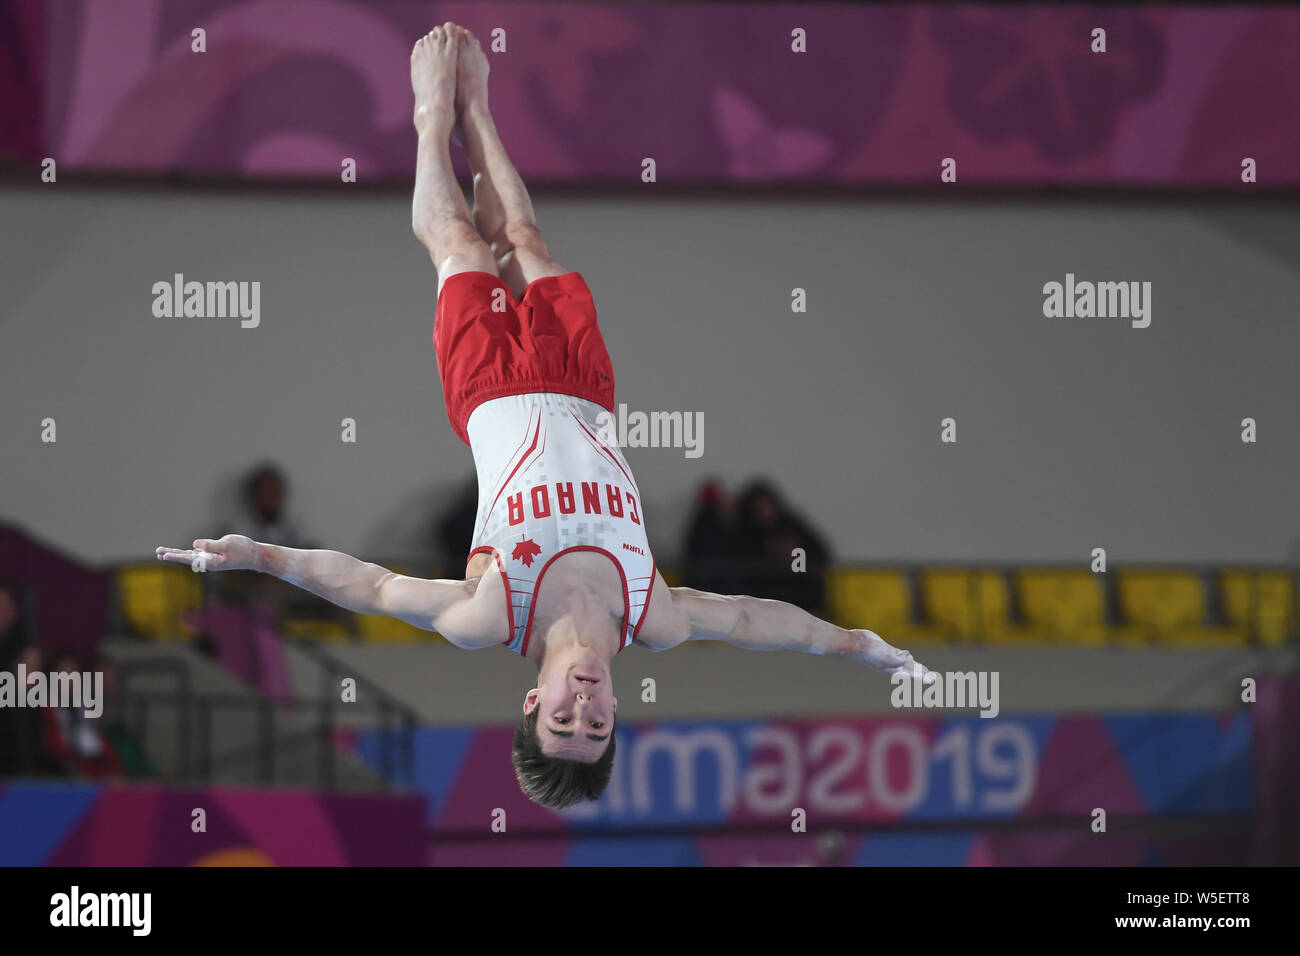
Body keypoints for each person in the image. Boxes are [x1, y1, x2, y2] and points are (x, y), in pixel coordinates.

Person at [157, 23, 934, 811]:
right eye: (595, 726)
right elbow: (752, 621)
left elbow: (373, 586)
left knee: (461, 242)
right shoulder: (651, 616)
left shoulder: (487, 613)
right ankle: (480, 109)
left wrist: (259, 554)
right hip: (583, 385)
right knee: (523, 235)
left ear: (533, 704)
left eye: (563, 720)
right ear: (616, 717)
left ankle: (431, 116)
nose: (583, 707)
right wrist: (857, 645)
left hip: (490, 387)